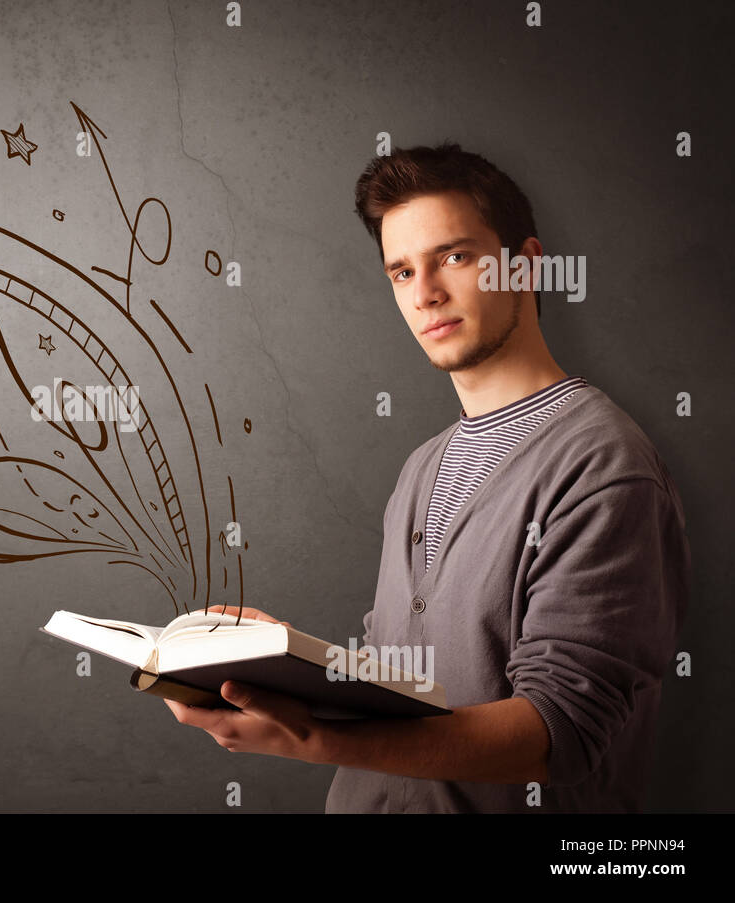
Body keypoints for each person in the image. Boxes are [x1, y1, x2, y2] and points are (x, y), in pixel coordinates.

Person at [164, 142, 690, 813]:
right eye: (402, 272)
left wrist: (310, 734)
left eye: (455, 257)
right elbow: (405, 684)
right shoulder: (422, 467)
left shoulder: (606, 468)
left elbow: (556, 731)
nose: (426, 293)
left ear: (526, 265)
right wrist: (287, 665)